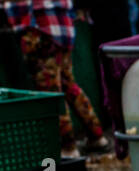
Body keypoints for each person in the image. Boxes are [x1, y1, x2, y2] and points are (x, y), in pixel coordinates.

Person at [2, 0, 110, 157]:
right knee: (68, 85)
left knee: (51, 93)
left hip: (41, 33)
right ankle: (97, 136)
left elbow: (17, 6)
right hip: (62, 31)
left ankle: (67, 148)